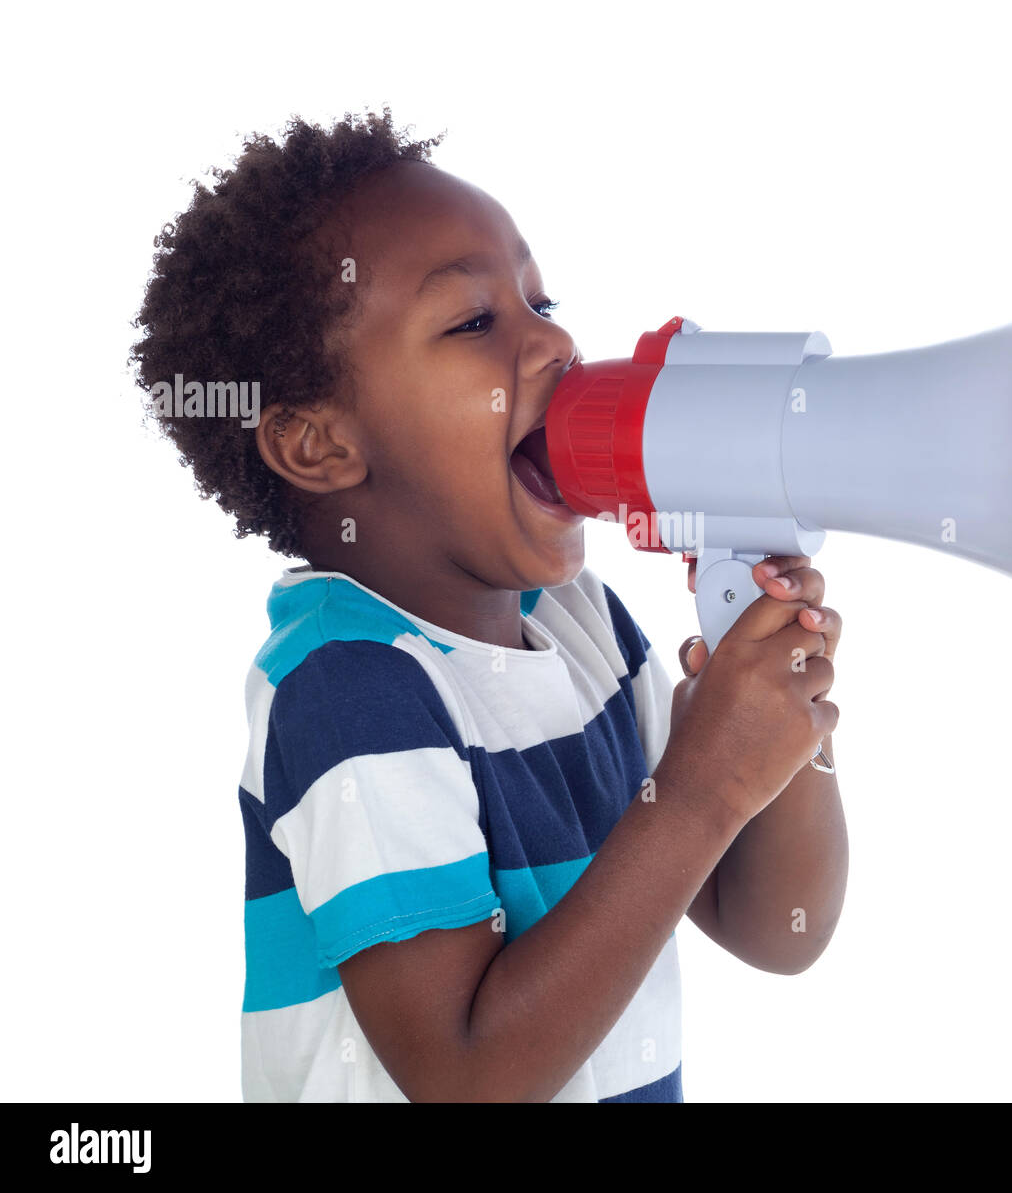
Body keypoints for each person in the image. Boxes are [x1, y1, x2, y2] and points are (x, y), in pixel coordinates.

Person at [130, 108, 849, 1102]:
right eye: (474, 321)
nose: (553, 338)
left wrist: (778, 725)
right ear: (321, 444)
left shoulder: (579, 624)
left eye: (541, 302)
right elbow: (467, 1076)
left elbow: (776, 928)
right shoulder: (348, 691)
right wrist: (700, 787)